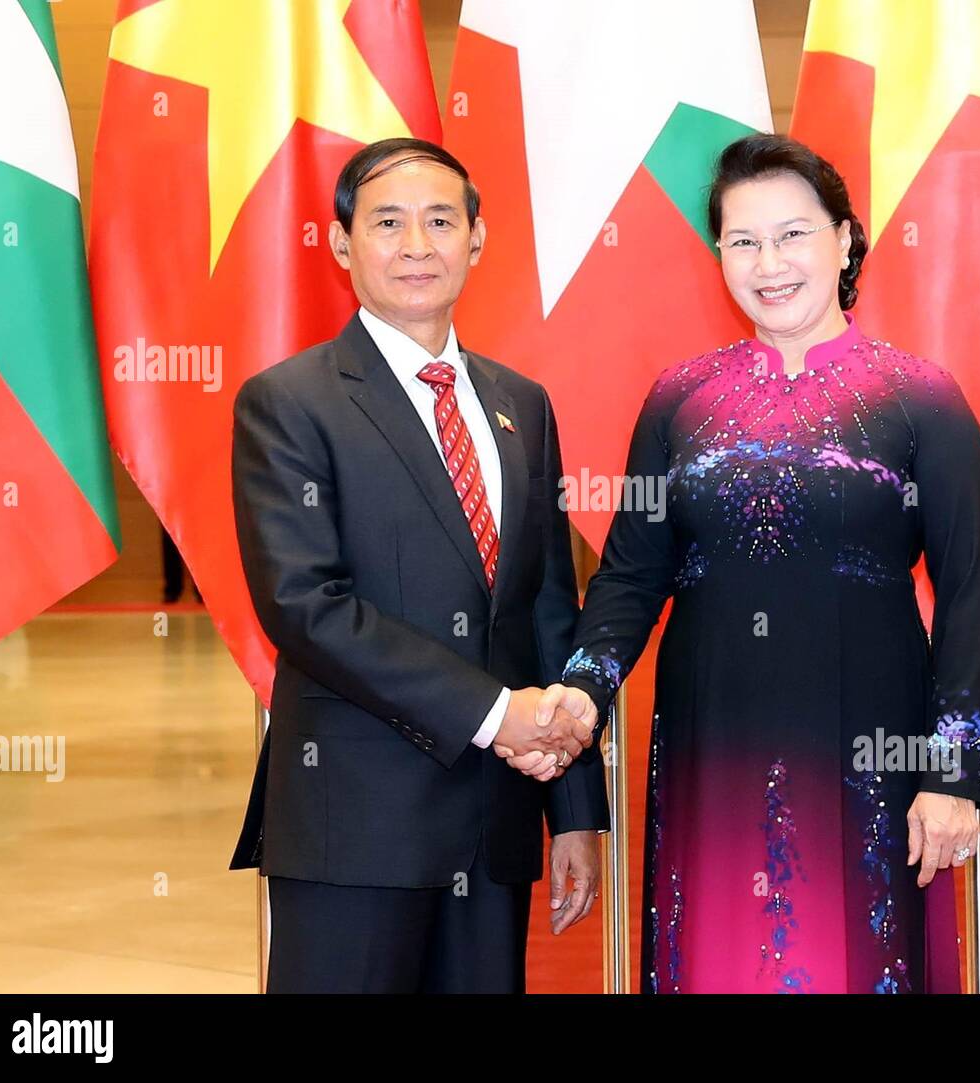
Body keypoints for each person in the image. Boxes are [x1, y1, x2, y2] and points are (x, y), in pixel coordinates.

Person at [529, 133, 980, 993]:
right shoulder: (677, 398)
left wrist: (954, 772)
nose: (769, 262)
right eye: (742, 241)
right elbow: (633, 572)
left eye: (794, 234)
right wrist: (584, 687)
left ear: (846, 239)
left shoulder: (923, 397)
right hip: (714, 740)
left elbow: (970, 591)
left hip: (871, 752)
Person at [227, 138, 605, 993]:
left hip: (495, 828)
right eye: (387, 222)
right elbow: (306, 607)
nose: (415, 245)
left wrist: (574, 811)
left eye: (441, 221)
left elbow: (548, 606)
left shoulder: (521, 404)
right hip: (355, 829)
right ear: (341, 243)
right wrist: (495, 712)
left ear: (476, 239)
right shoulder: (289, 402)